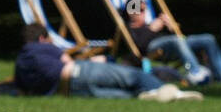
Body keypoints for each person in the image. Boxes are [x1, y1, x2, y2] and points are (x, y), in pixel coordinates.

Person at [12, 24, 200, 101]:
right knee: (133, 76)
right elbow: (66, 59)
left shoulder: (21, 61)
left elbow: (20, 90)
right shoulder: (42, 47)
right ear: (43, 38)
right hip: (78, 72)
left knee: (123, 95)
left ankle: (148, 95)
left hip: (69, 91)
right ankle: (171, 92)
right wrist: (94, 59)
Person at [120, 2, 221, 86]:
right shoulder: (130, 29)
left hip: (175, 44)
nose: (142, 13)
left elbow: (176, 35)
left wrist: (171, 26)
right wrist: (152, 29)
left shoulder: (150, 24)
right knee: (177, 40)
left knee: (208, 39)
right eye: (139, 10)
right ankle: (195, 73)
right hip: (154, 49)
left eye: (144, 10)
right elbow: (139, 46)